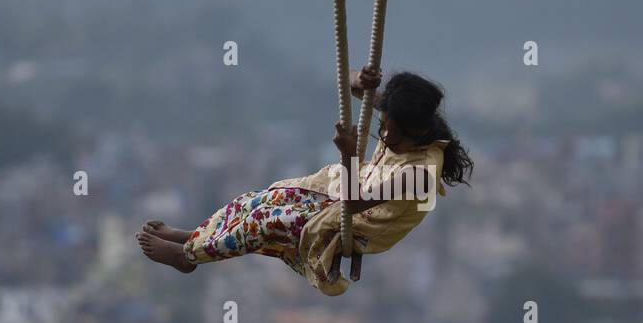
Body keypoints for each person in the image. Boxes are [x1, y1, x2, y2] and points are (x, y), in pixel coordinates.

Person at [138, 66, 473, 296]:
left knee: (267, 223)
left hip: (358, 219)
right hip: (343, 186)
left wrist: (348, 153)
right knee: (259, 200)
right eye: (383, 123)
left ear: (416, 130)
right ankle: (196, 238)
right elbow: (351, 83)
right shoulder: (409, 122)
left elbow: (355, 203)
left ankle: (190, 257)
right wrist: (363, 79)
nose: (383, 135)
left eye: (391, 131)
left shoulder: (420, 175)